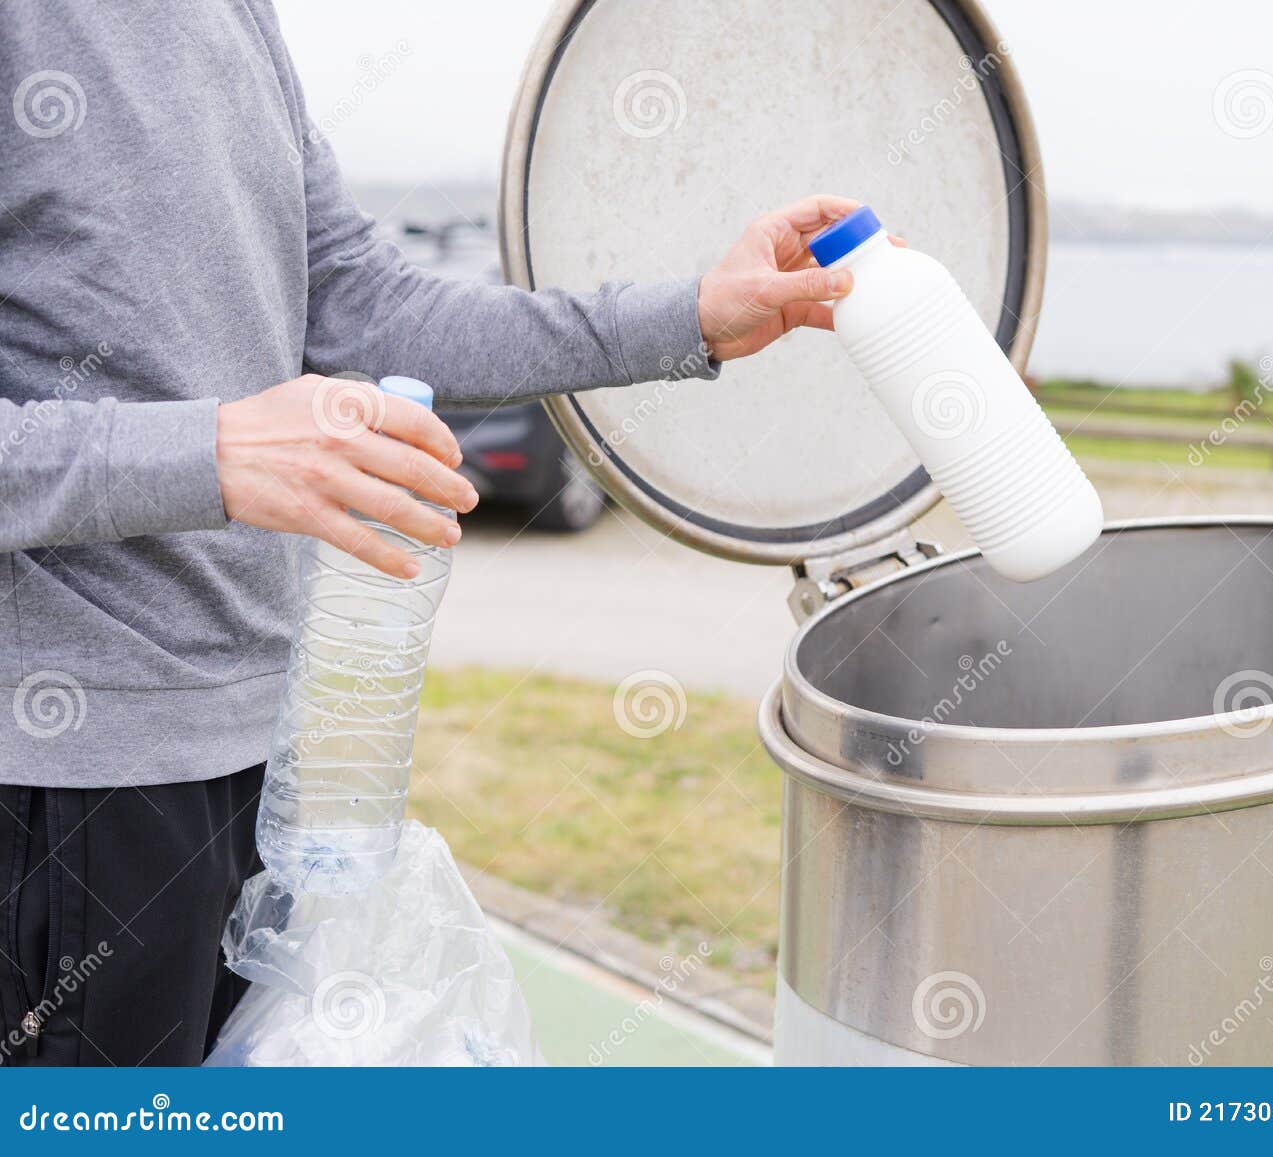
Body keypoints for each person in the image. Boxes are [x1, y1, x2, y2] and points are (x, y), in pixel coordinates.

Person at [0, 1, 859, 1066]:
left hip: (262, 775)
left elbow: (368, 302)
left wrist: (690, 313)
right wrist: (215, 451)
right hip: (63, 786)